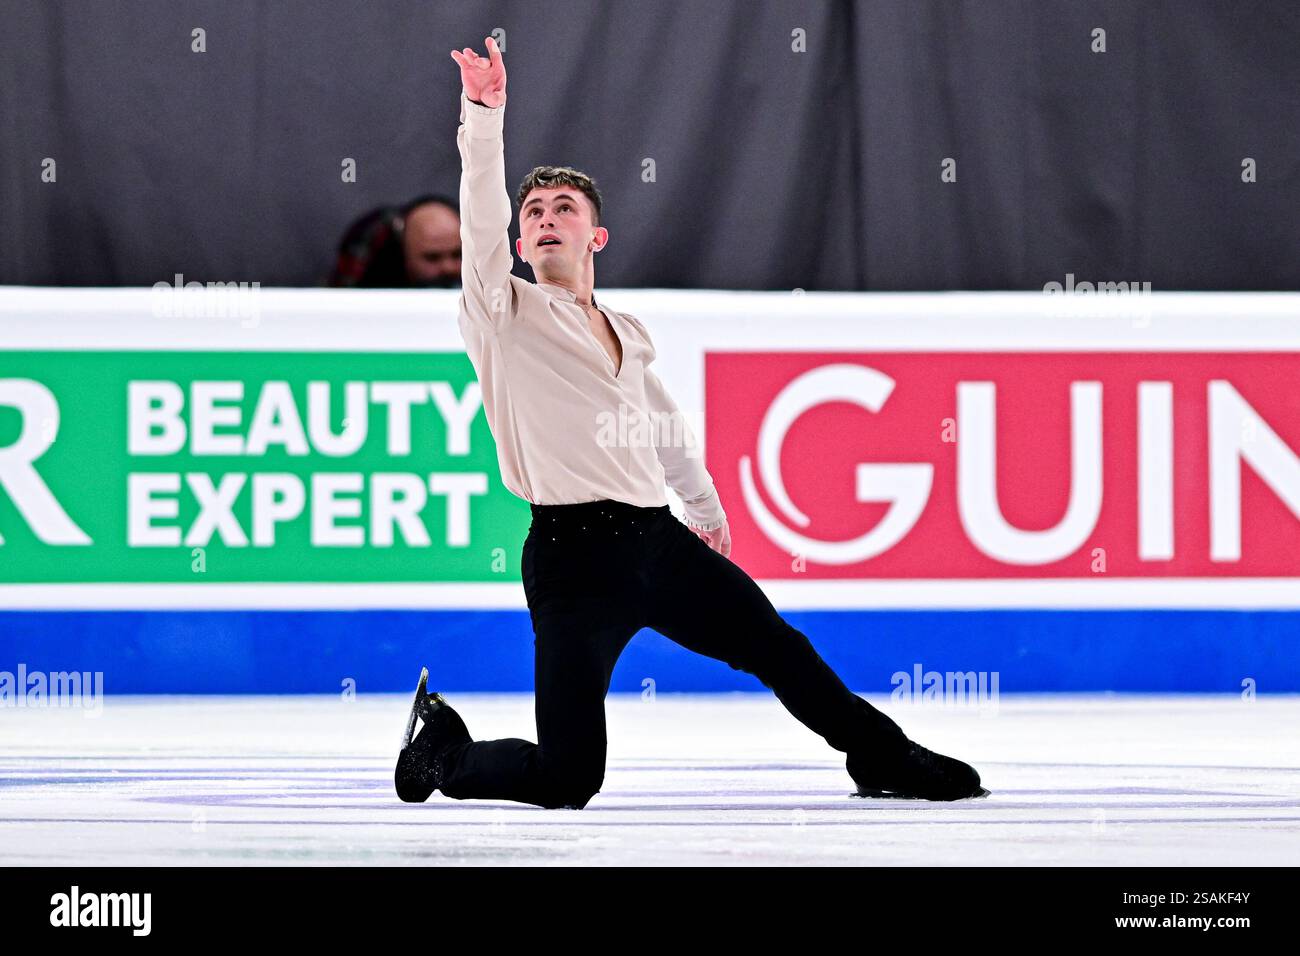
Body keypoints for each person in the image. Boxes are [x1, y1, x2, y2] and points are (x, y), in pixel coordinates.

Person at [394, 36, 988, 809]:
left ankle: (882, 755)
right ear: (517, 240)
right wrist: (485, 113)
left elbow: (665, 429)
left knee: (780, 648)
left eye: (563, 209)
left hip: (657, 543)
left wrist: (704, 509)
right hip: (573, 563)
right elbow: (480, 209)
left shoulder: (627, 331)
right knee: (571, 779)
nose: (544, 219)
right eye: (533, 211)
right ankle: (447, 753)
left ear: (594, 237)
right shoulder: (501, 312)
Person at [327, 194, 462, 287]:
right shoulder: (370, 242)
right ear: (404, 252)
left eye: (458, 255)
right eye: (432, 258)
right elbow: (340, 305)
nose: (448, 267)